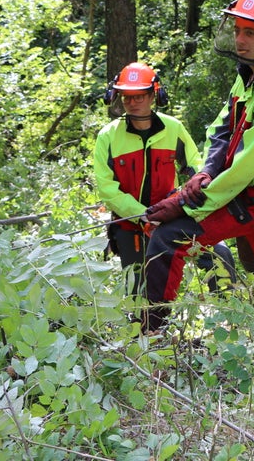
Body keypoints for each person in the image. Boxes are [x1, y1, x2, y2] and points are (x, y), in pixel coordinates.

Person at [143, 0, 254, 331]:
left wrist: (188, 204)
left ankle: (151, 331)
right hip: (240, 187)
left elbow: (245, 168)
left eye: (251, 32)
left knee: (168, 238)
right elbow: (222, 127)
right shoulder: (249, 73)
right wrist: (205, 172)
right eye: (237, 31)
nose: (241, 40)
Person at [93, 62, 237, 298]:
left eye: (139, 96)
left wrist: (194, 199)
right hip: (131, 224)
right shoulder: (108, 137)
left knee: (220, 255)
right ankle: (148, 332)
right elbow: (108, 190)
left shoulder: (174, 129)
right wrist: (142, 215)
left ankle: (229, 312)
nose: (132, 103)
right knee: (140, 294)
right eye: (126, 97)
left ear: (154, 95)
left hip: (171, 217)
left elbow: (197, 169)